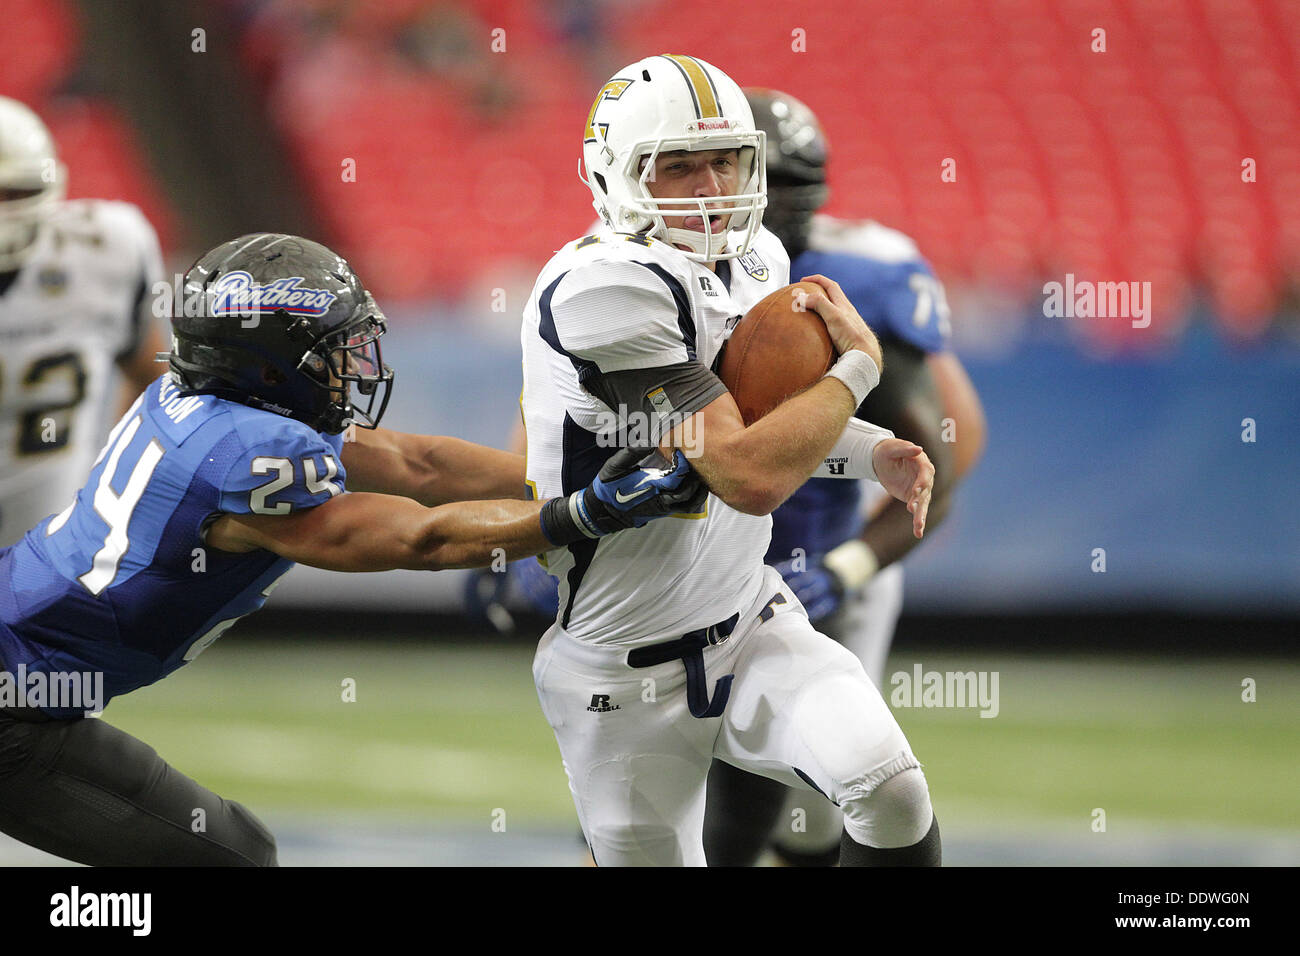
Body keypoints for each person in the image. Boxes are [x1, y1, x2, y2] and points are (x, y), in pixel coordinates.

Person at [0, 232, 704, 866]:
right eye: (334, 349)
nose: (355, 364)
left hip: (27, 675)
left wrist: (577, 469)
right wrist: (583, 512)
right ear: (270, 370)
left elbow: (419, 464)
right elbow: (420, 538)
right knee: (231, 858)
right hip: (14, 705)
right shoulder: (247, 452)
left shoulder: (210, 405)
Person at [521, 54, 941, 867]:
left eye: (728, 160)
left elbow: (761, 429)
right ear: (617, 176)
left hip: (749, 616)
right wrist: (857, 371)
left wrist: (866, 452)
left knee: (888, 789)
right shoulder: (603, 289)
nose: (713, 186)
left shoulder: (757, 264)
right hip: (620, 666)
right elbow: (747, 474)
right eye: (679, 165)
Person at [702, 89, 989, 866]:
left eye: (803, 187)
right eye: (775, 185)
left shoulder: (857, 279)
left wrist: (849, 567)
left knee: (811, 809)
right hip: (694, 557)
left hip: (821, 561)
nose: (786, 208)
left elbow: (948, 449)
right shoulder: (652, 272)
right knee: (666, 791)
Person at [0, 96, 172, 547]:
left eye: (12, 193)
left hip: (48, 551)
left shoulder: (106, 250)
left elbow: (152, 378)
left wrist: (113, 485)